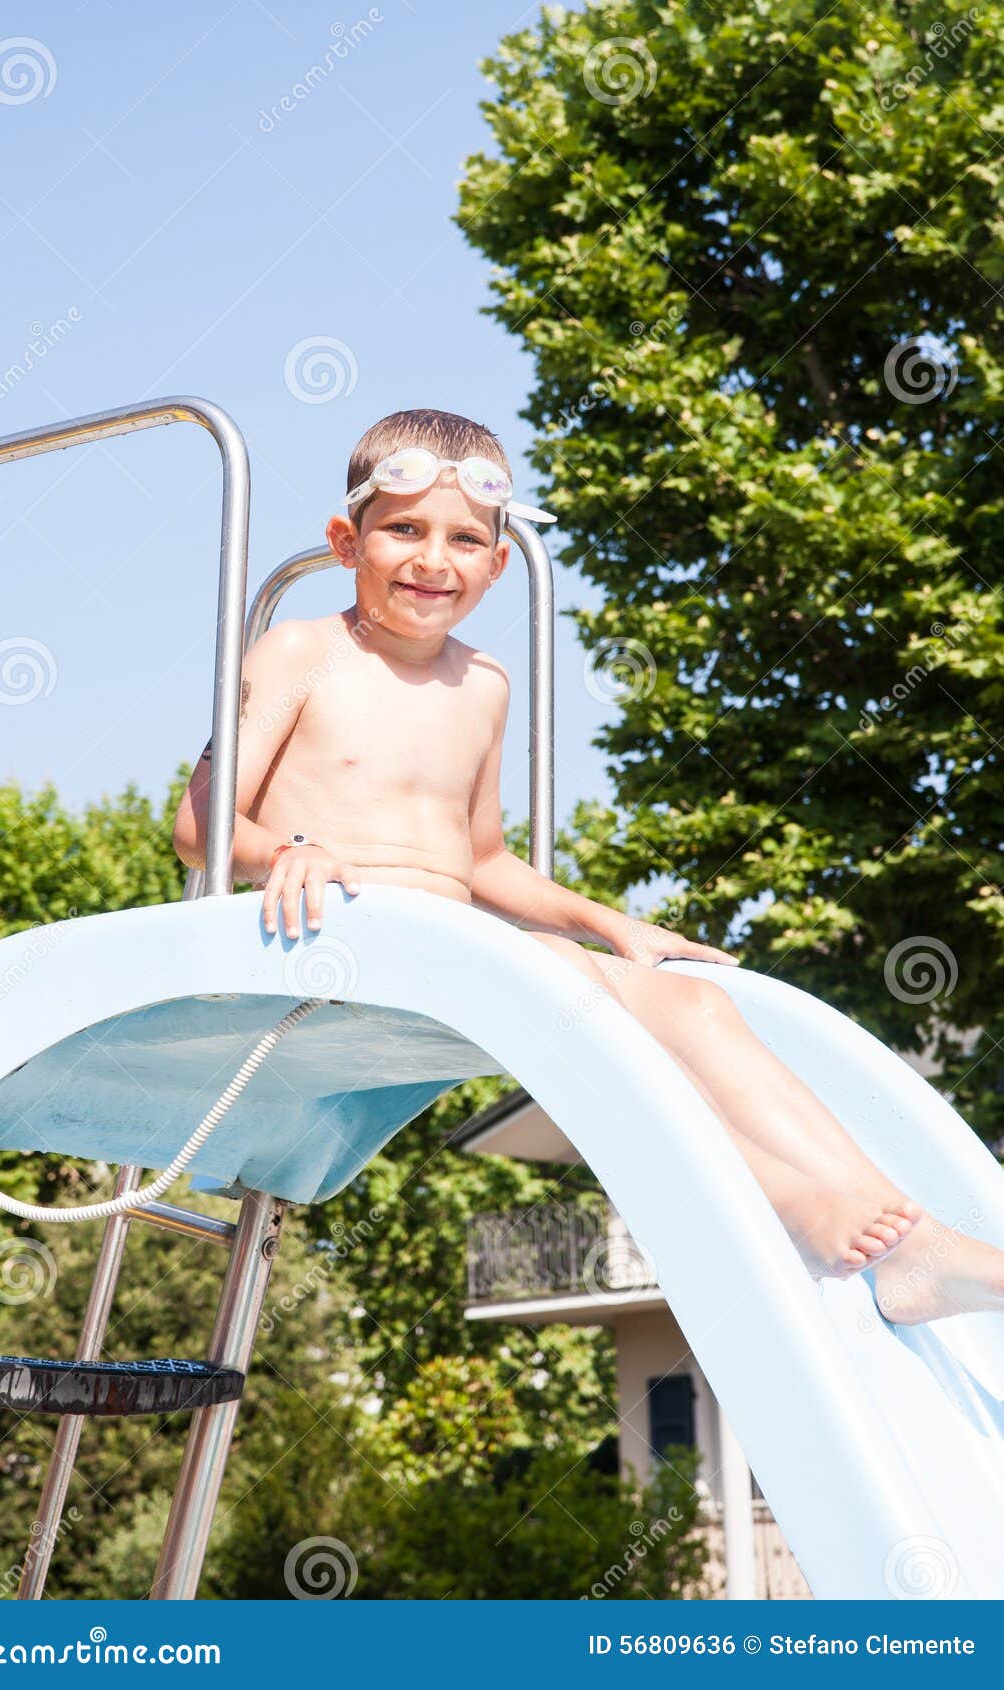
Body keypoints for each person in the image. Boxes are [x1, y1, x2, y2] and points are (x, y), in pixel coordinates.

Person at [173, 408, 1004, 1324]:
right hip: (335, 946)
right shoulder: (302, 652)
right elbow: (200, 824)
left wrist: (609, 922)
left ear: (496, 562)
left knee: (692, 1001)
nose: (432, 560)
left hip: (453, 954)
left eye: (463, 539)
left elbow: (480, 858)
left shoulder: (480, 684)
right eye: (403, 530)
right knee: (569, 992)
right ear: (346, 541)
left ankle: (908, 1244)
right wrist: (289, 848)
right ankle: (788, 1202)